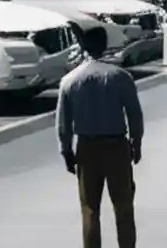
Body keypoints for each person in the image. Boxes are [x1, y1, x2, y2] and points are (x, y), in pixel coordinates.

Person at [56, 26, 143, 248]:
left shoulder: (69, 80)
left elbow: (63, 122)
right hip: (116, 146)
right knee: (123, 206)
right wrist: (136, 142)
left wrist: (66, 151)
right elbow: (134, 114)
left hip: (87, 149)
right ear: (104, 46)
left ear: (82, 47)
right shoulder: (120, 77)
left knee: (90, 209)